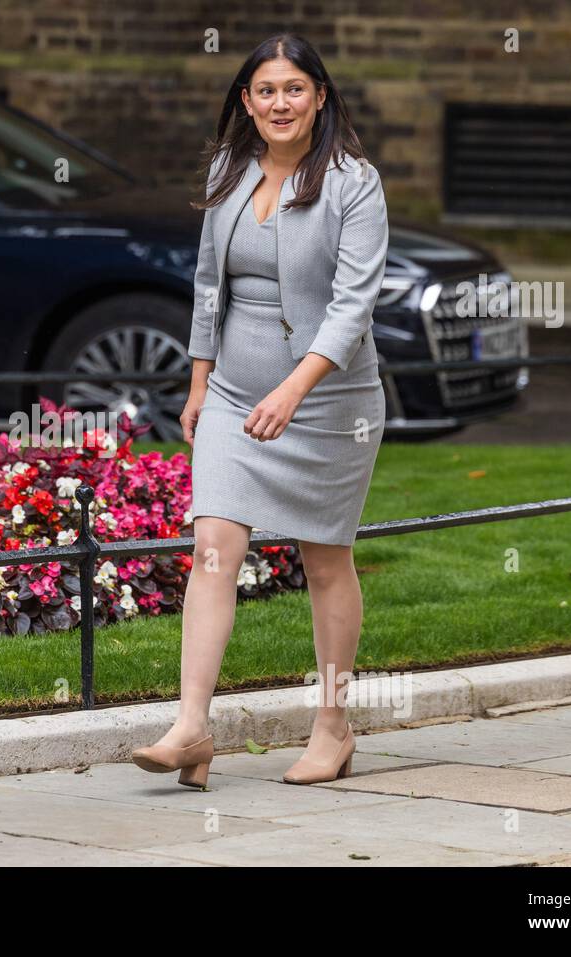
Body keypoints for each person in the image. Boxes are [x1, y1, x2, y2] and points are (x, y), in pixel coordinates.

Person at [131, 32, 388, 790]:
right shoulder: (228, 170)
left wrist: (294, 389)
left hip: (330, 402)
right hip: (236, 397)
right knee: (213, 543)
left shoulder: (354, 183)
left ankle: (333, 726)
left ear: (320, 98)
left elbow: (352, 307)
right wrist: (201, 379)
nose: (280, 102)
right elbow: (210, 282)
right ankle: (191, 727)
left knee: (325, 558)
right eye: (266, 90)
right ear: (246, 101)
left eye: (295, 89)